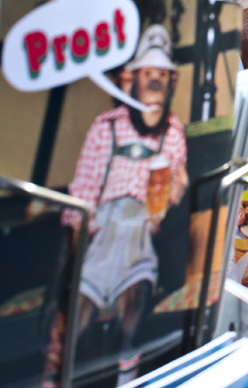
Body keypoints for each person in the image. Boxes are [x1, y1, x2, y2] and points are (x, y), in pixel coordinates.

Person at [59, 25, 189, 385]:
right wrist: (73, 261)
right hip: (101, 233)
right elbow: (82, 197)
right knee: (79, 311)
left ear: (171, 82)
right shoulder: (106, 128)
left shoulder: (173, 132)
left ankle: (127, 368)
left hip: (142, 236)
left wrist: (174, 192)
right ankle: (75, 371)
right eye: (148, 74)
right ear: (131, 79)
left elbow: (171, 200)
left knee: (134, 304)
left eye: (162, 74)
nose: (155, 80)